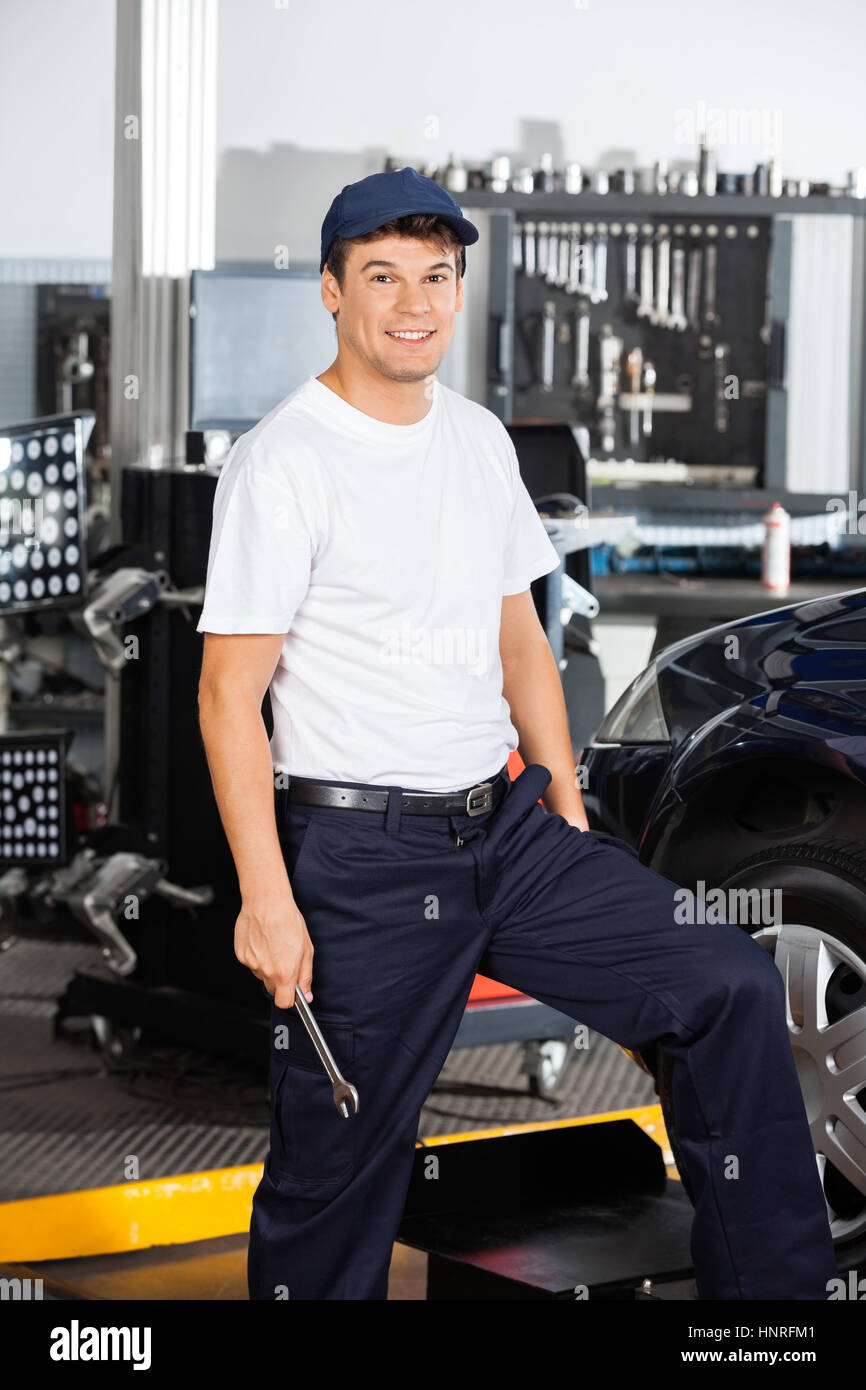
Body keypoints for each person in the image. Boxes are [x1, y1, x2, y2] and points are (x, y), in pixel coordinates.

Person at [196, 166, 837, 1301]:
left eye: (435, 276)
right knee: (335, 1167)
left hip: (505, 831)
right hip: (360, 860)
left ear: (457, 288)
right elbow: (225, 694)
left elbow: (520, 641)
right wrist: (264, 893)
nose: (413, 301)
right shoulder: (282, 462)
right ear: (333, 293)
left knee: (722, 986)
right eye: (382, 276)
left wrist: (568, 812)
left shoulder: (479, 439)